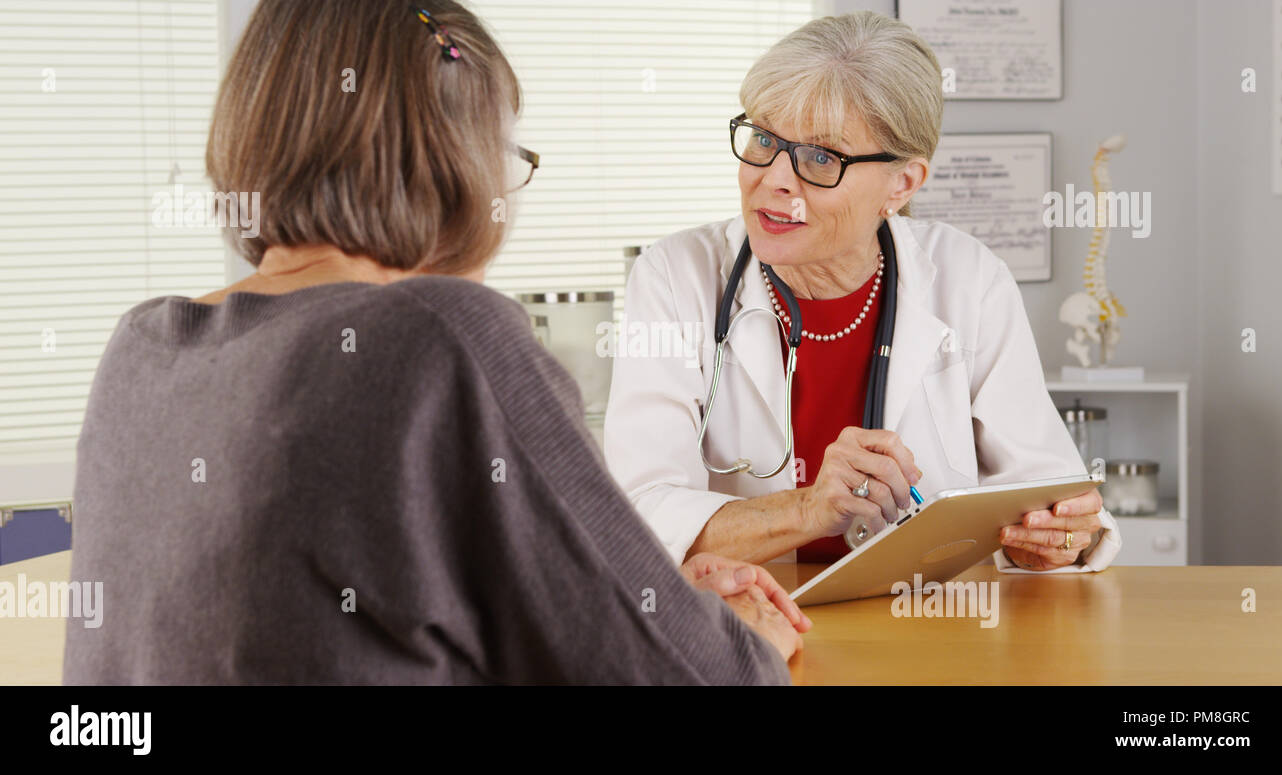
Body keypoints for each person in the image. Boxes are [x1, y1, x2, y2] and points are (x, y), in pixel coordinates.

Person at [63, 0, 808, 686]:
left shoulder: (140, 348)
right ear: (460, 165)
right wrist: (745, 640)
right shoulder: (442, 333)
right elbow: (691, 676)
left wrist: (651, 602)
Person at [603, 11, 1121, 570]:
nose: (774, 178)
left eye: (821, 156)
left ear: (901, 183)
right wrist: (808, 510)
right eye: (763, 138)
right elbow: (638, 519)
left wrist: (1058, 541)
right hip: (742, 631)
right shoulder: (674, 277)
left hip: (927, 633)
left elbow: (1051, 498)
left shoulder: (970, 280)